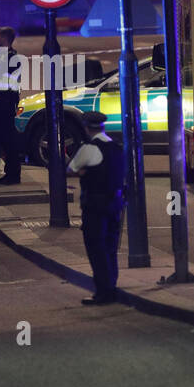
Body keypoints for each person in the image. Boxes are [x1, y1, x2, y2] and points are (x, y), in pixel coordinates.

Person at [67, 111, 126, 306]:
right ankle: (112, 286)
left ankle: (103, 291)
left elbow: (71, 169)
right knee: (110, 247)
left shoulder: (89, 148)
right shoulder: (116, 147)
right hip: (116, 203)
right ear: (102, 127)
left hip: (95, 204)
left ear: (86, 128)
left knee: (96, 248)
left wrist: (84, 171)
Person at [0, 27, 23, 184]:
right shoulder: (2, 55)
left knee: (9, 139)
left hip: (7, 101)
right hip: (3, 101)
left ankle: (12, 174)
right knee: (4, 138)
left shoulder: (11, 57)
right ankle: (10, 173)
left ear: (4, 38)